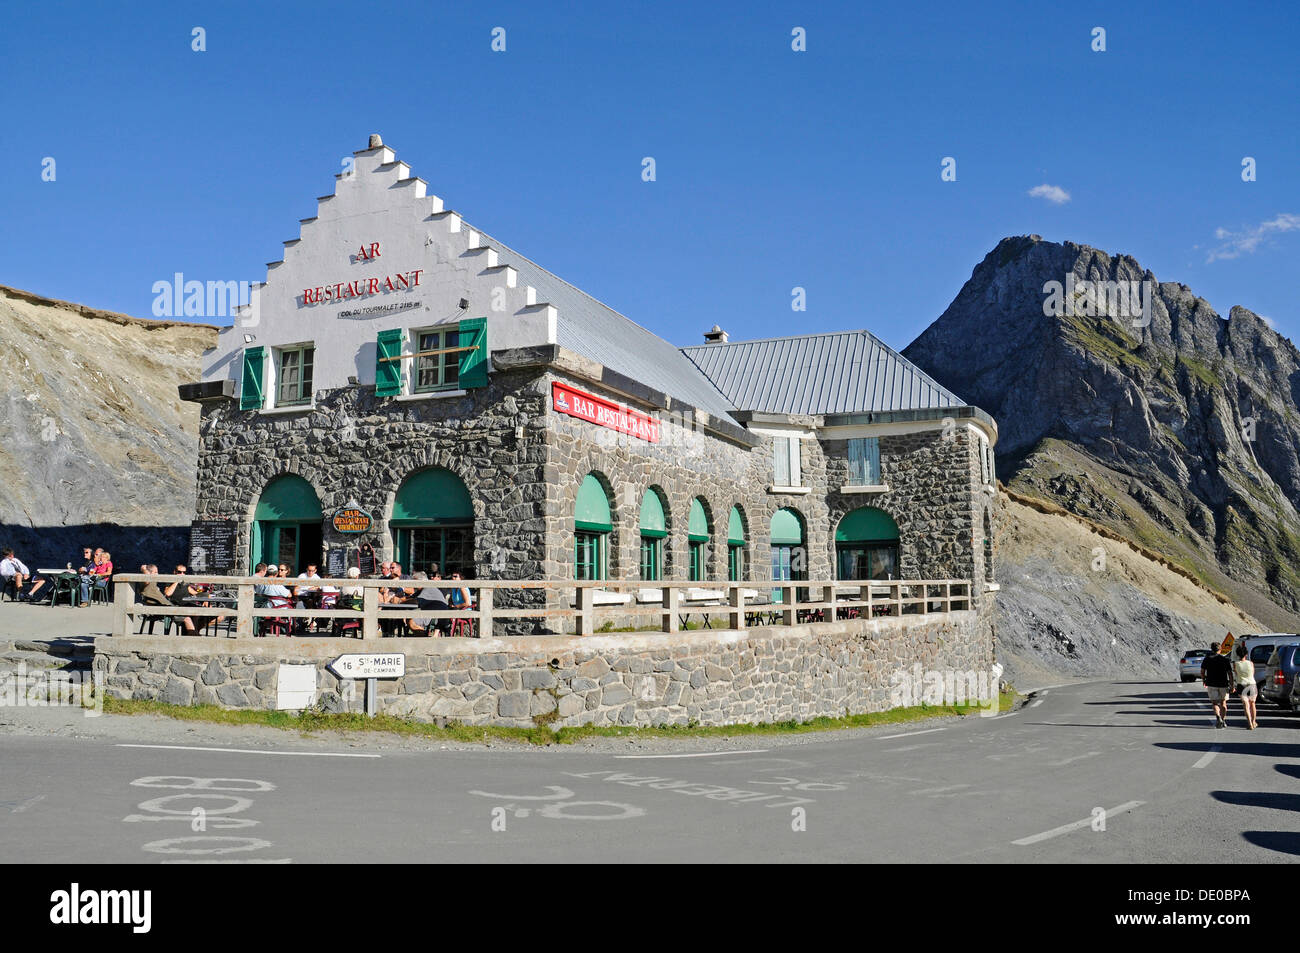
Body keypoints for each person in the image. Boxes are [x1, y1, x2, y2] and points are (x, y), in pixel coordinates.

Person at [1201, 641, 1234, 729]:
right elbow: (1230, 673)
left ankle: (1218, 718)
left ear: (1212, 649)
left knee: (1215, 703)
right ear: (1220, 649)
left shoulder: (1207, 659)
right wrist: (1232, 685)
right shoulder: (1225, 660)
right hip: (1223, 684)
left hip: (1211, 683)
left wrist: (1204, 679)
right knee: (1223, 703)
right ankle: (1223, 721)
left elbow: (1202, 671)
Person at [1234, 644, 1258, 730]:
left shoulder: (1236, 664)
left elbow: (1236, 674)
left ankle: (1250, 723)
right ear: (1246, 654)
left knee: (1246, 705)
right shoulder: (1251, 663)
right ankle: (1254, 721)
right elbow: (1253, 673)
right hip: (1252, 684)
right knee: (1253, 704)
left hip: (1241, 685)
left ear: (1237, 654)